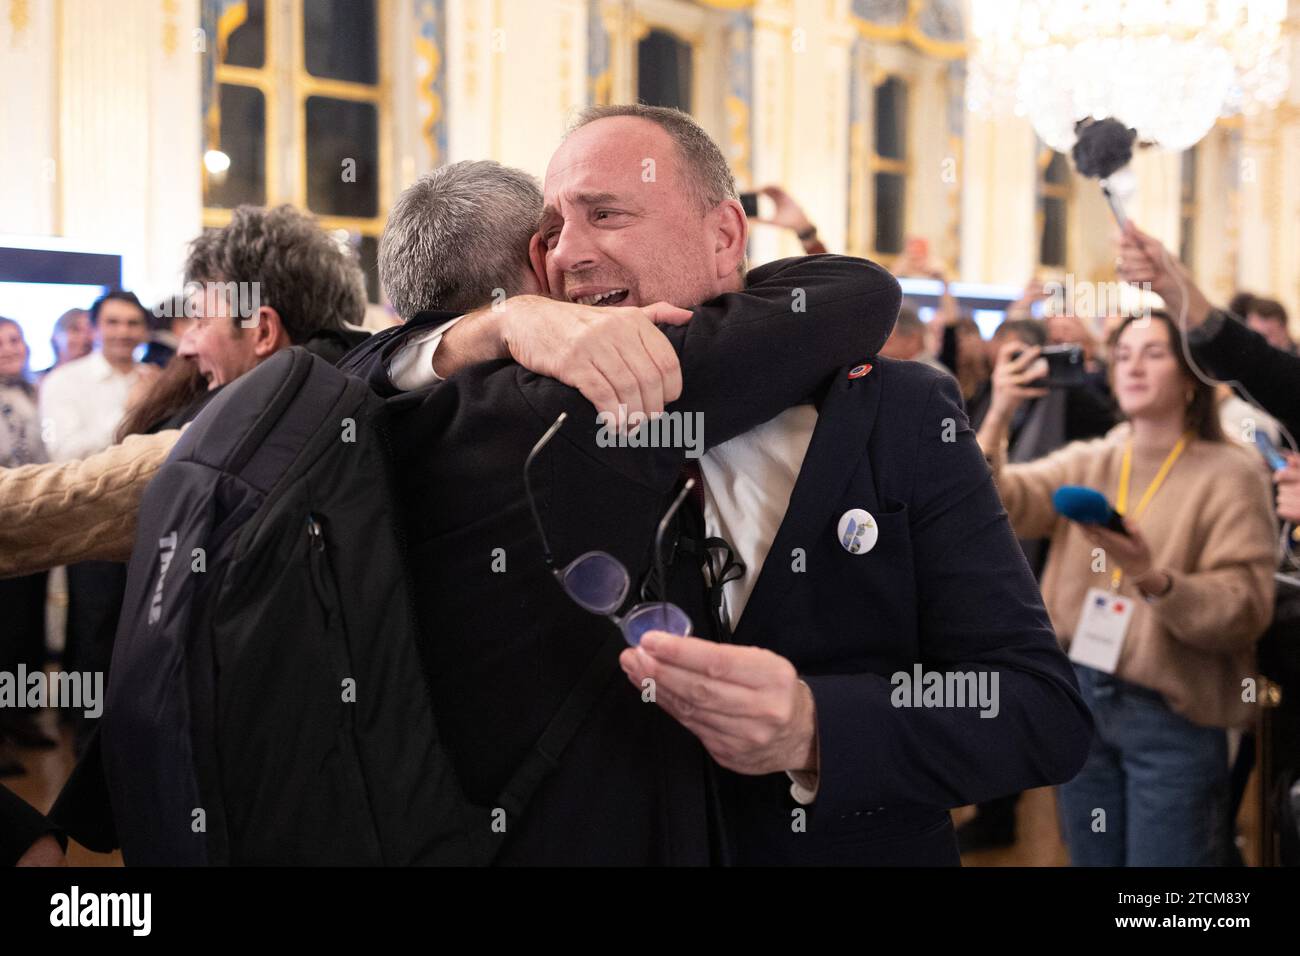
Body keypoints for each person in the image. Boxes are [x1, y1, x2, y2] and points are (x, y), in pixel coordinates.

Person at [381, 107, 1093, 865]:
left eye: (605, 215)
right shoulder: (531, 417)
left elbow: (1036, 710)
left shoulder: (901, 414)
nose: (569, 255)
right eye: (551, 231)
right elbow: (356, 379)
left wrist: (815, 727)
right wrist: (504, 321)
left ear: (724, 235)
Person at [976, 310, 1276, 865]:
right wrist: (1000, 410)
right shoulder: (1099, 456)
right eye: (1124, 354)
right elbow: (995, 501)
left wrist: (1152, 578)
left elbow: (1246, 608)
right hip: (1083, 700)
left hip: (1173, 712)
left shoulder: (1232, 474)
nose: (1134, 366)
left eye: (1154, 353)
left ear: (1190, 378)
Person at [0, 316, 59, 772]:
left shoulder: (34, 391)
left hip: (32, 528)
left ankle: (21, 717)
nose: (9, 348)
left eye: (15, 338)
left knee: (25, 632)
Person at [44, 308, 93, 377]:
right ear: (56, 336)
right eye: (75, 330)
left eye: (89, 331)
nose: (84, 337)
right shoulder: (38, 382)